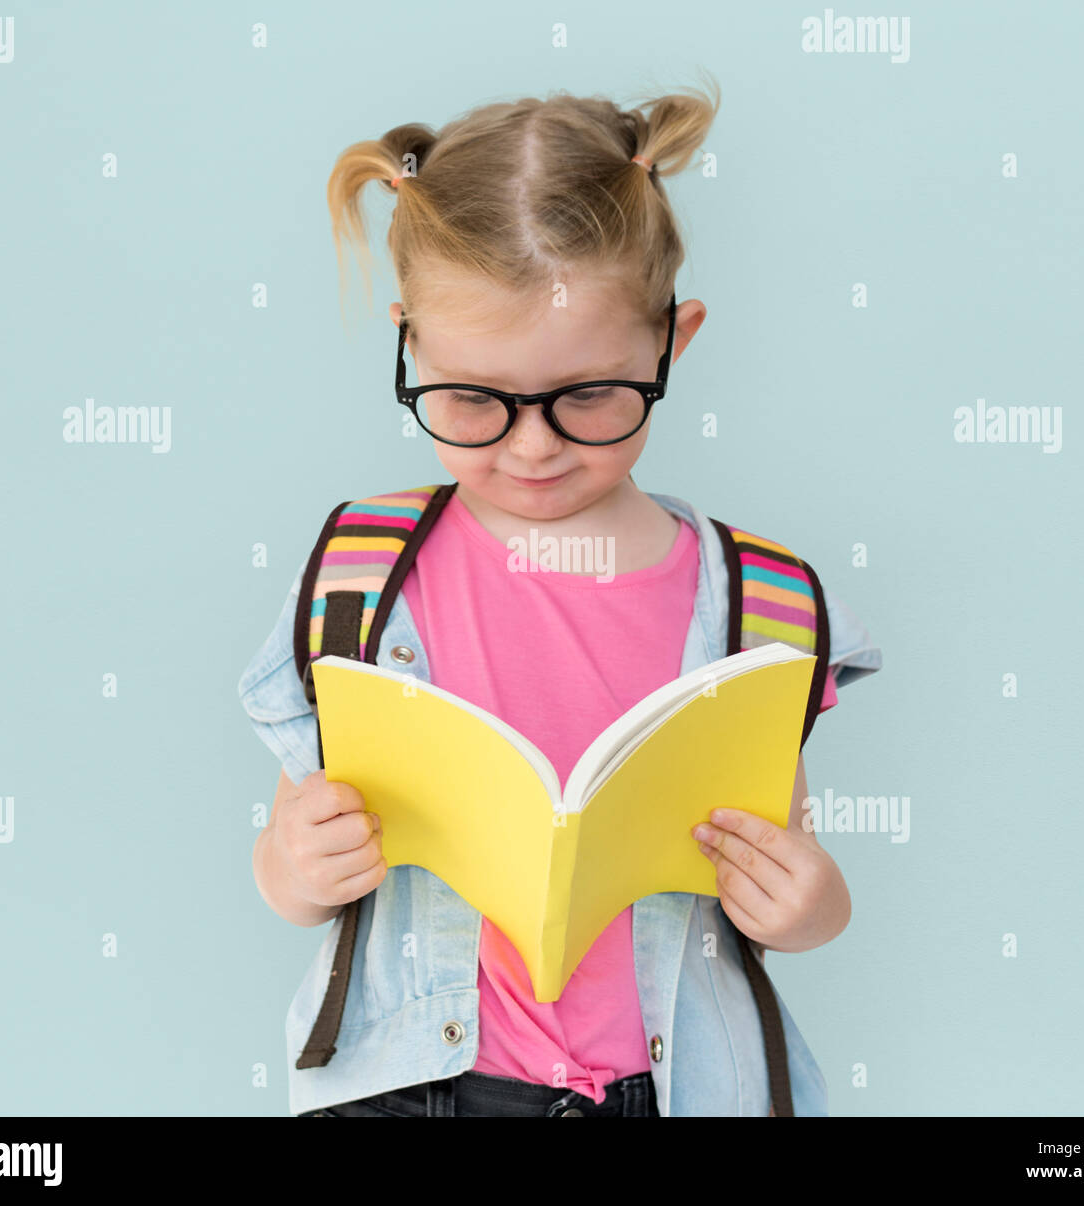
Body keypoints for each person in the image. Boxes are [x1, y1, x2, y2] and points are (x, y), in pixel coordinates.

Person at [237, 77, 882, 1117]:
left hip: (666, 1093)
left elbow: (782, 866)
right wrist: (302, 862)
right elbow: (285, 876)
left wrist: (810, 907)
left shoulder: (757, 602)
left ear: (672, 342)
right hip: (417, 1092)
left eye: (588, 395)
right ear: (410, 345)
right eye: (471, 400)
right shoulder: (363, 573)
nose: (531, 446)